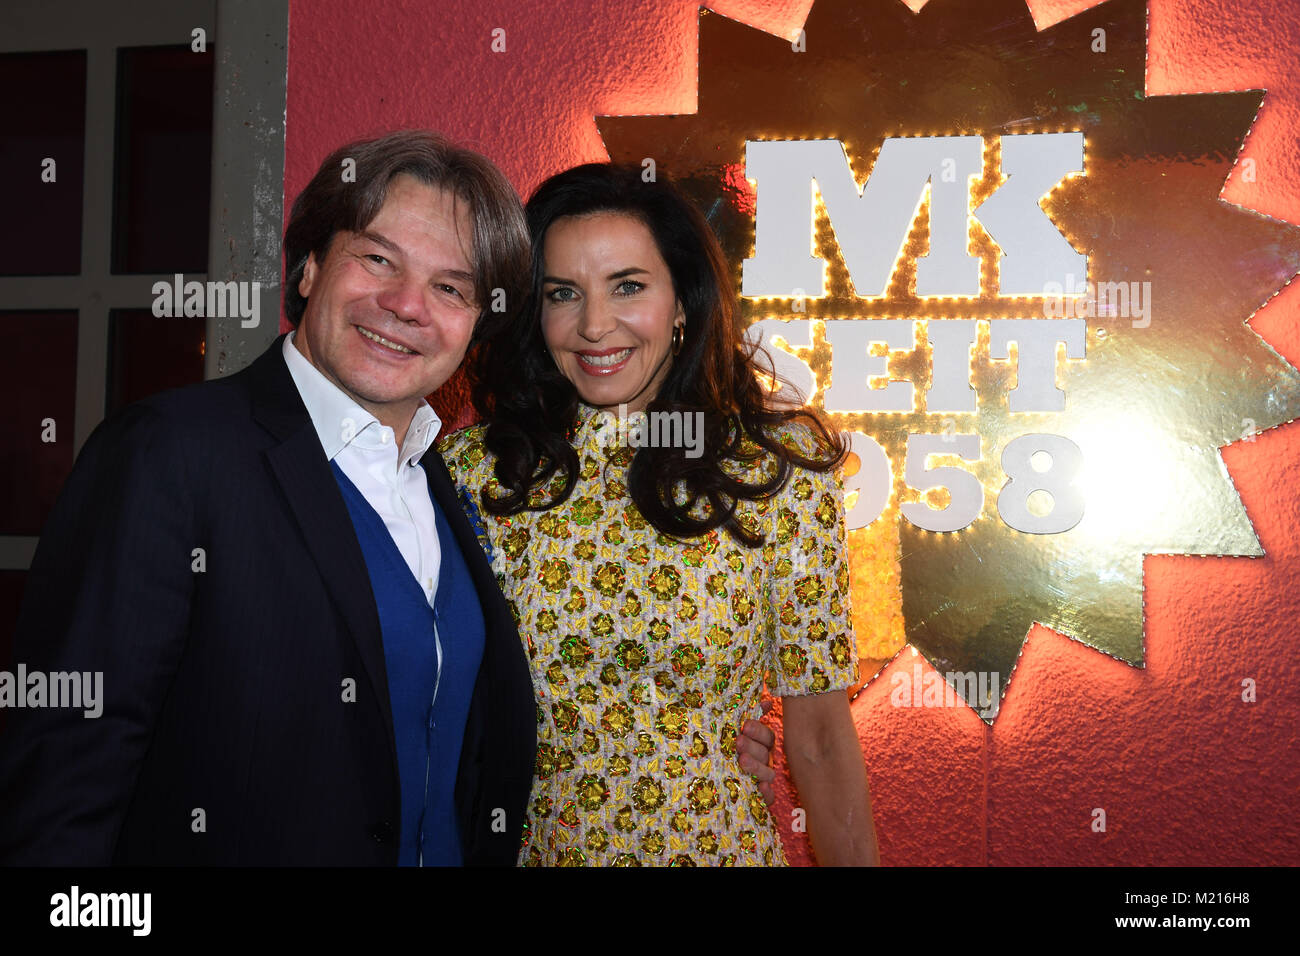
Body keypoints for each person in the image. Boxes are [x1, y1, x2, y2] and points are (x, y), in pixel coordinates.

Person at [0, 130, 542, 865]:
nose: (406, 304)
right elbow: (67, 768)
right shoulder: (170, 452)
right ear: (312, 266)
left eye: (451, 287)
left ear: (476, 325)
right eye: (377, 259)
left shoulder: (440, 481)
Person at [441, 163, 880, 866]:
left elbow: (822, 734)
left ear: (682, 302)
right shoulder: (475, 475)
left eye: (628, 286)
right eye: (562, 293)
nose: (593, 326)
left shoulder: (774, 470)